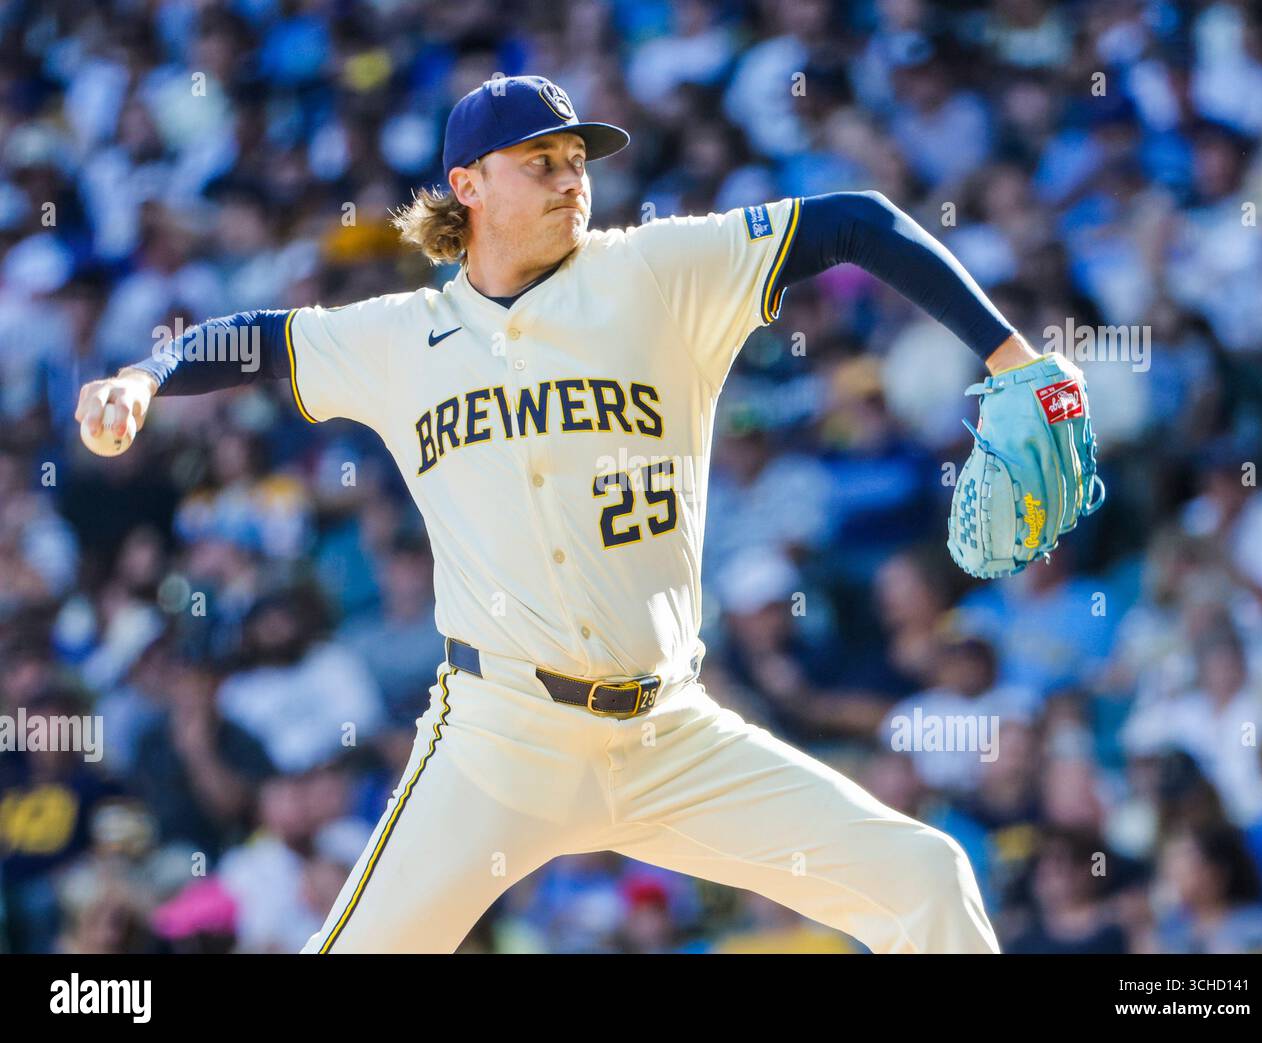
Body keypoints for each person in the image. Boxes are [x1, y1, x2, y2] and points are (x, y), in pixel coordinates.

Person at [75, 75, 1053, 954]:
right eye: (538, 160)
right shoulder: (397, 335)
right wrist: (144, 376)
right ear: (467, 185)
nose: (568, 176)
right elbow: (251, 336)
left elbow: (856, 220)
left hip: (672, 731)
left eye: (577, 158)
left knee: (924, 880)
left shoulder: (658, 272)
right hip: (502, 740)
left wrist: (1013, 359)